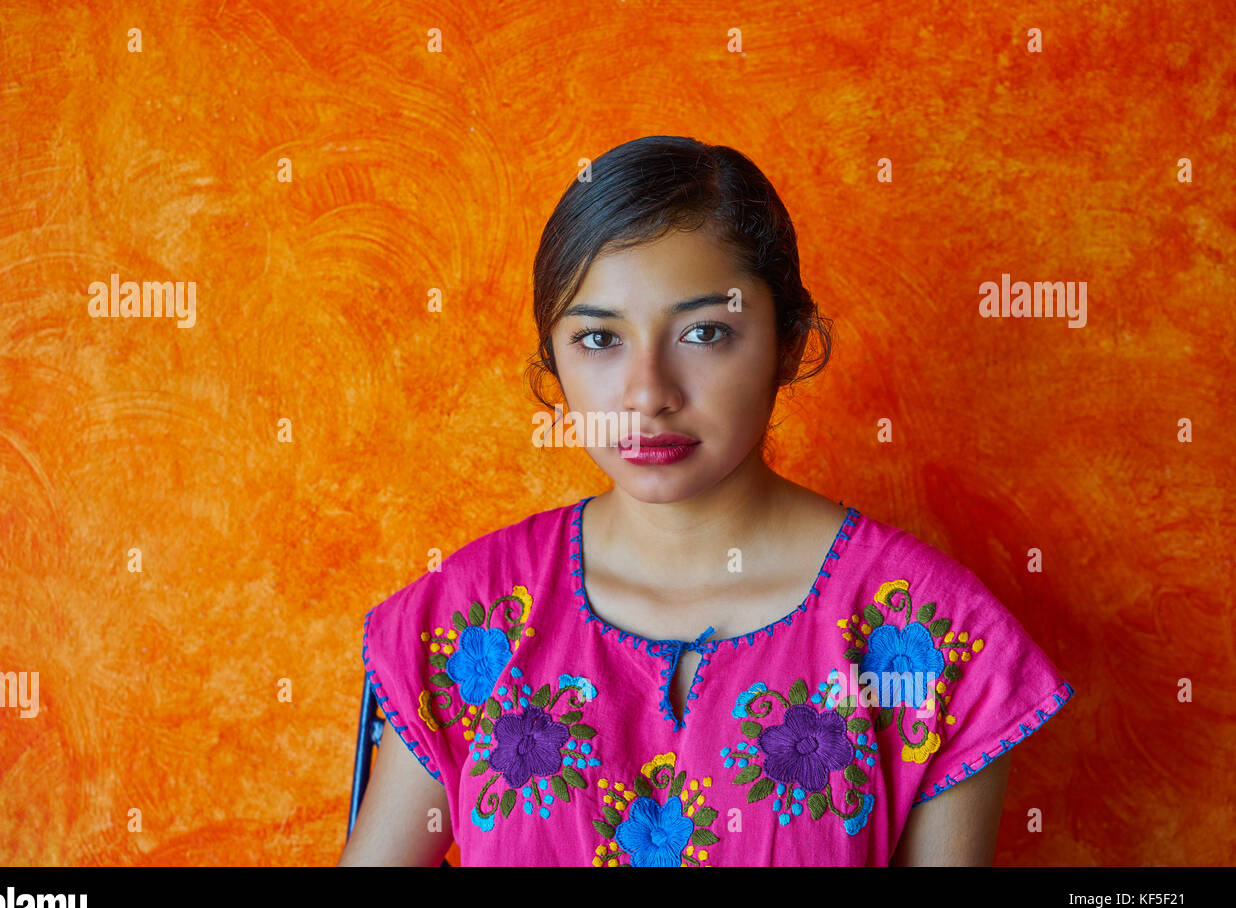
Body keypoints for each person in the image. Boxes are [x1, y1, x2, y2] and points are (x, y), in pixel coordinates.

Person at [338, 135, 1074, 867]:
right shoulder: (468, 619)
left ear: (788, 342)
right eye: (599, 338)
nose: (649, 393)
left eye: (703, 332)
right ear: (552, 361)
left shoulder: (931, 635)